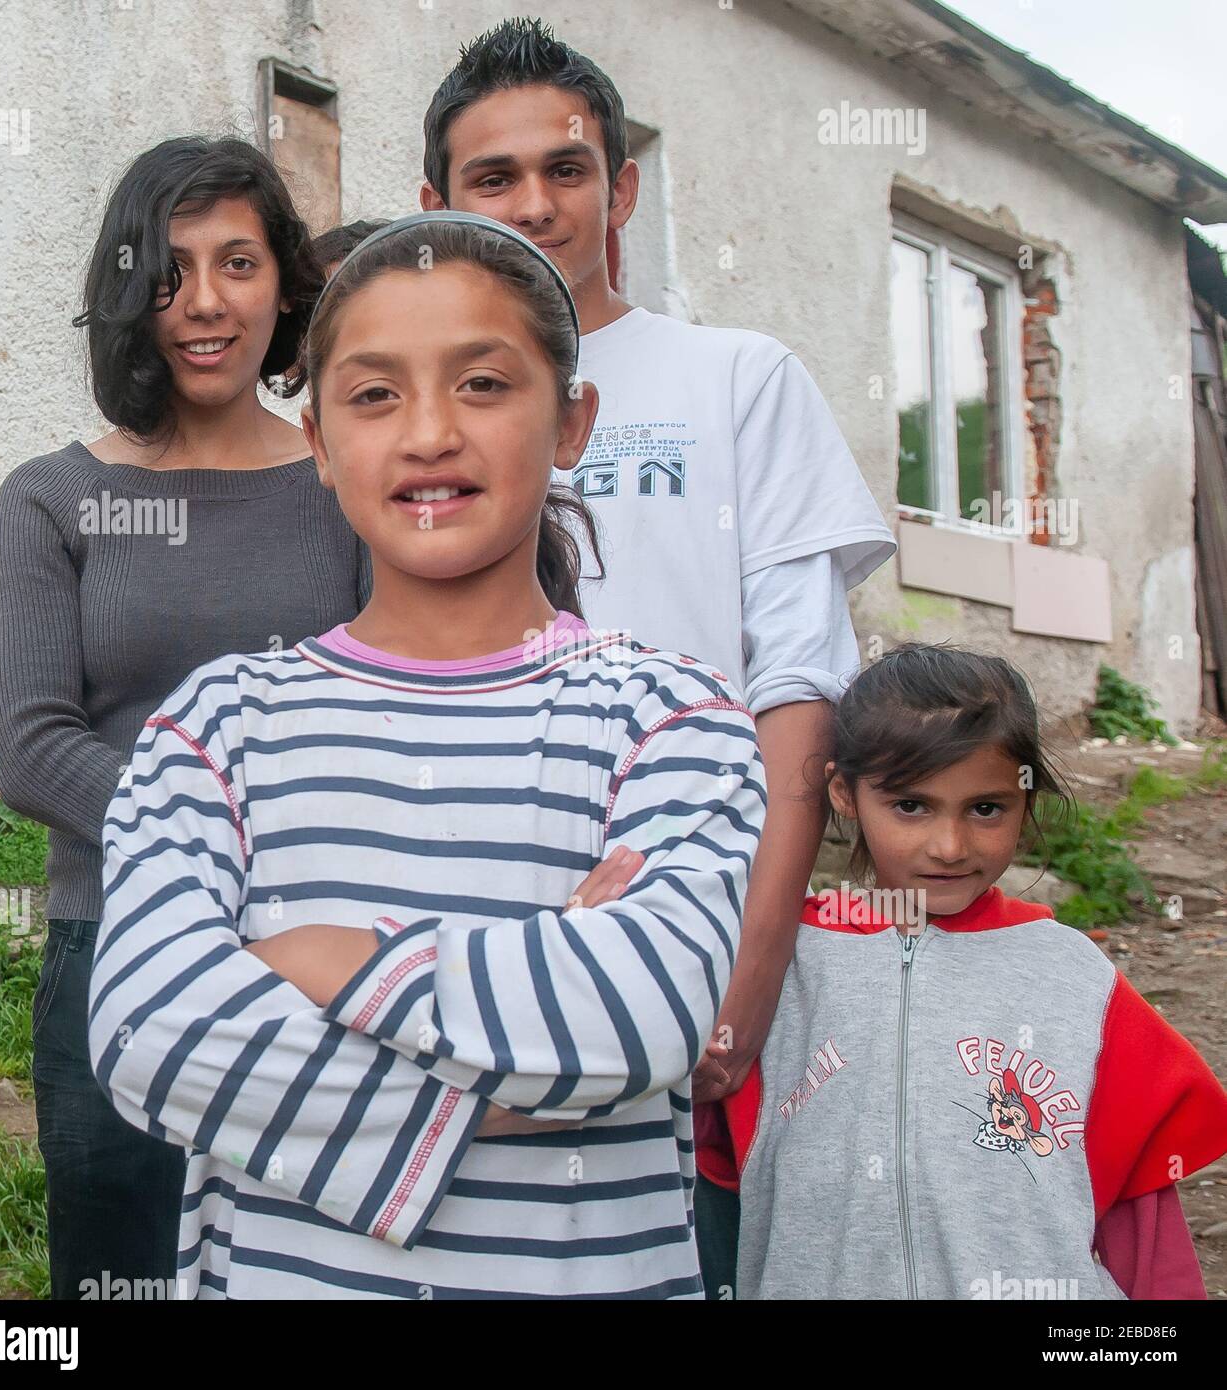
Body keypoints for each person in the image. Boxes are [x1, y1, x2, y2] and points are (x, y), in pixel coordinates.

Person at [86, 211, 767, 1299]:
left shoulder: (670, 715)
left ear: (573, 420)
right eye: (372, 394)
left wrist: (305, 958)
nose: (428, 434)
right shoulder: (217, 727)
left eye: (484, 384)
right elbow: (144, 1029)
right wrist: (530, 1037)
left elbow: (649, 1007)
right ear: (316, 440)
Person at [418, 18, 896, 1292]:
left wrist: (752, 957)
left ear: (622, 186)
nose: (536, 202)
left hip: (690, 945)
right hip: (470, 949)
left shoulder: (737, 380)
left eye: (567, 169)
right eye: (494, 177)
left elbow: (798, 688)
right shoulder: (408, 412)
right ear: (437, 201)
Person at [0, 135, 371, 1299]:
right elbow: (37, 749)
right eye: (168, 269)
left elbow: (382, 705)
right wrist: (223, 845)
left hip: (324, 960)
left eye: (238, 264)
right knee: (118, 1280)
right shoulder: (52, 497)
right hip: (118, 950)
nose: (202, 303)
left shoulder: (348, 486)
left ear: (288, 286)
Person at [713, 643, 1227, 1299]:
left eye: (986, 808)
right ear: (844, 792)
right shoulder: (778, 965)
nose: (950, 846)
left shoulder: (1074, 977)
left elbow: (1145, 1218)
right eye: (911, 806)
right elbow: (713, 1186)